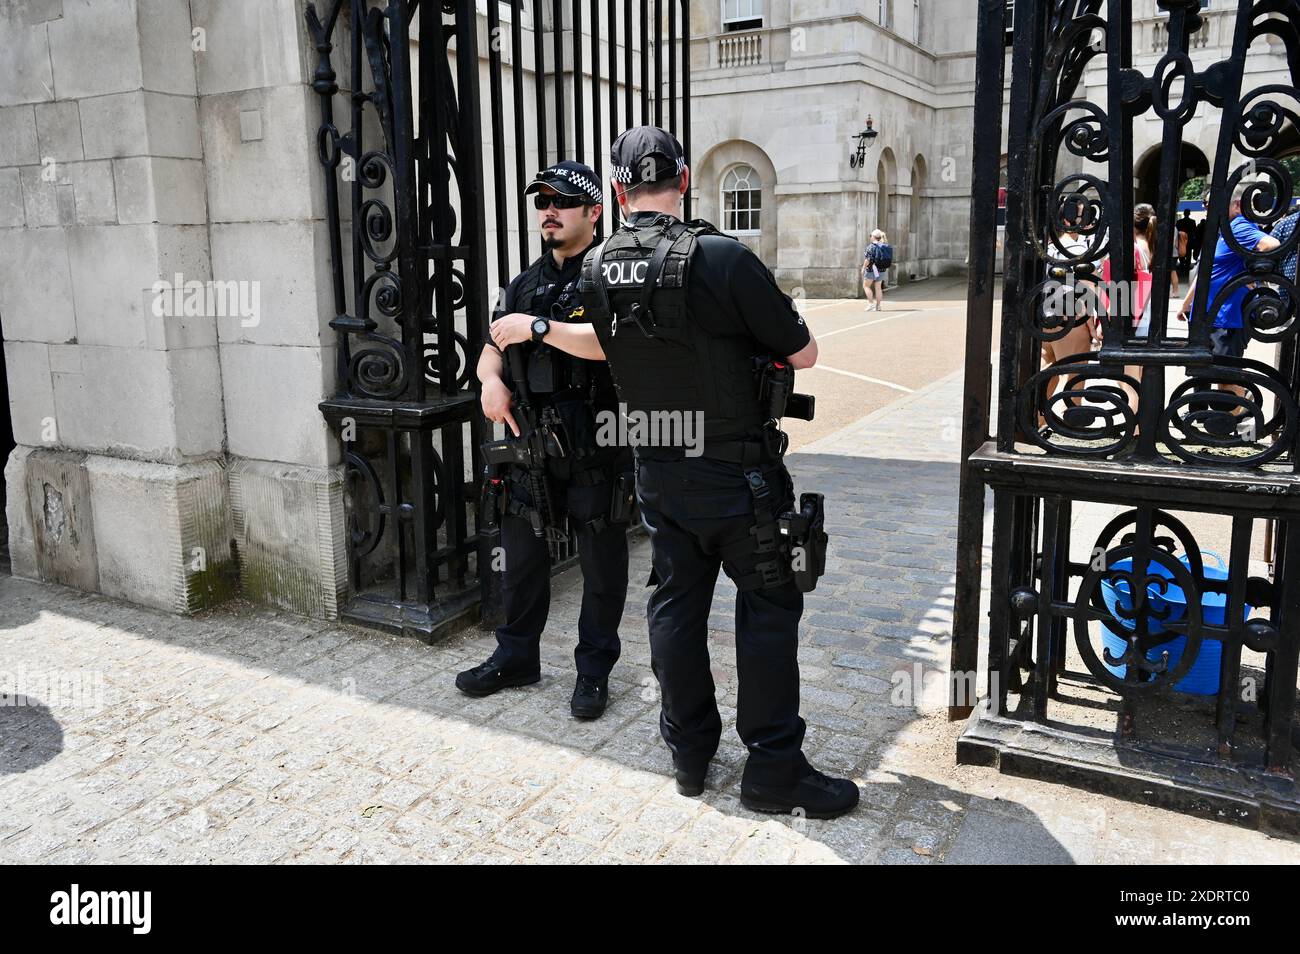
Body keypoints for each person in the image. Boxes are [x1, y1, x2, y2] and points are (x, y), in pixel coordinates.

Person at [578, 125, 859, 819]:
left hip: (657, 474)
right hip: (737, 476)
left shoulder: (597, 267)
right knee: (767, 609)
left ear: (618, 193)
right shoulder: (723, 257)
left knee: (674, 605)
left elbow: (605, 349)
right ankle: (773, 770)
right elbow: (806, 354)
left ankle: (689, 753)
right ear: (685, 182)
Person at [457, 160, 632, 720]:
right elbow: (491, 347)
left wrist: (537, 328)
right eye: (541, 202)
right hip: (531, 446)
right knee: (523, 555)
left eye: (561, 201)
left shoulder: (610, 273)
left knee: (600, 562)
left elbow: (614, 344)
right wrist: (488, 383)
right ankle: (516, 656)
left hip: (595, 444)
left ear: (594, 211)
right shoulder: (526, 282)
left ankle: (594, 670)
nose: (548, 211)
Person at [1176, 183, 1282, 416]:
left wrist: (1254, 273)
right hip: (1209, 312)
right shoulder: (1223, 229)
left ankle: (1234, 416)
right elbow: (1207, 271)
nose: (1208, 209)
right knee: (1202, 367)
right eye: (1206, 204)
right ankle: (1202, 414)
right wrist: (1187, 304)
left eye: (1213, 204)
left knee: (1224, 372)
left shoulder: (1239, 227)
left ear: (1236, 205)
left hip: (1228, 315)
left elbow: (1270, 245)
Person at [862, 229, 892, 311]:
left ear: (874, 237)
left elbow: (868, 259)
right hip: (882, 269)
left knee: (866, 286)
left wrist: (863, 268)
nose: (870, 237)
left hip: (871, 269)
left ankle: (871, 304)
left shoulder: (871, 246)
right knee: (878, 287)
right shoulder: (883, 245)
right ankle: (878, 306)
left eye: (870, 235)